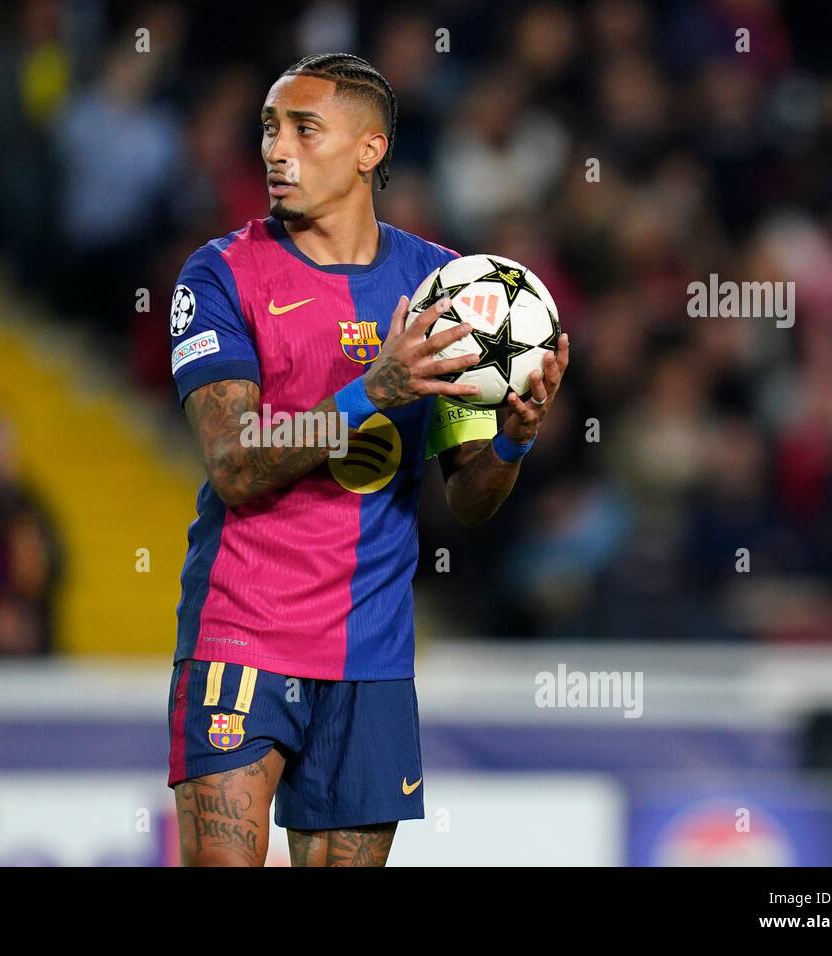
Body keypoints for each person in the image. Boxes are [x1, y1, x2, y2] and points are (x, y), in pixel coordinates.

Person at [165, 53, 569, 866]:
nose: (276, 150)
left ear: (369, 150)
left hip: (371, 651)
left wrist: (514, 439)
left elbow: (472, 500)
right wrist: (370, 391)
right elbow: (234, 465)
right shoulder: (220, 276)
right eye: (269, 130)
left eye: (303, 130)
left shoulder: (443, 289)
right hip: (245, 630)